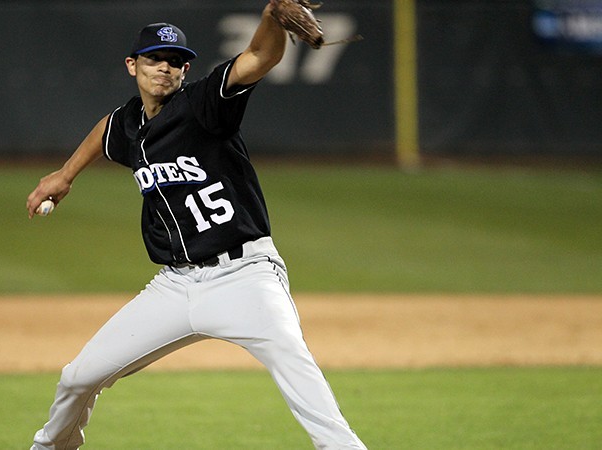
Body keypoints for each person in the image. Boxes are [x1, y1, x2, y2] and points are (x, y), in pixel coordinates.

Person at [26, 3, 367, 449]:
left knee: (296, 368)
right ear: (133, 65)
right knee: (77, 377)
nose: (165, 68)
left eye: (176, 61)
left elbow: (260, 58)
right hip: (174, 286)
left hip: (245, 277)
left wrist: (271, 16)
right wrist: (65, 174)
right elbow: (107, 129)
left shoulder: (204, 104)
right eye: (154, 59)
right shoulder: (130, 121)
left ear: (185, 70)